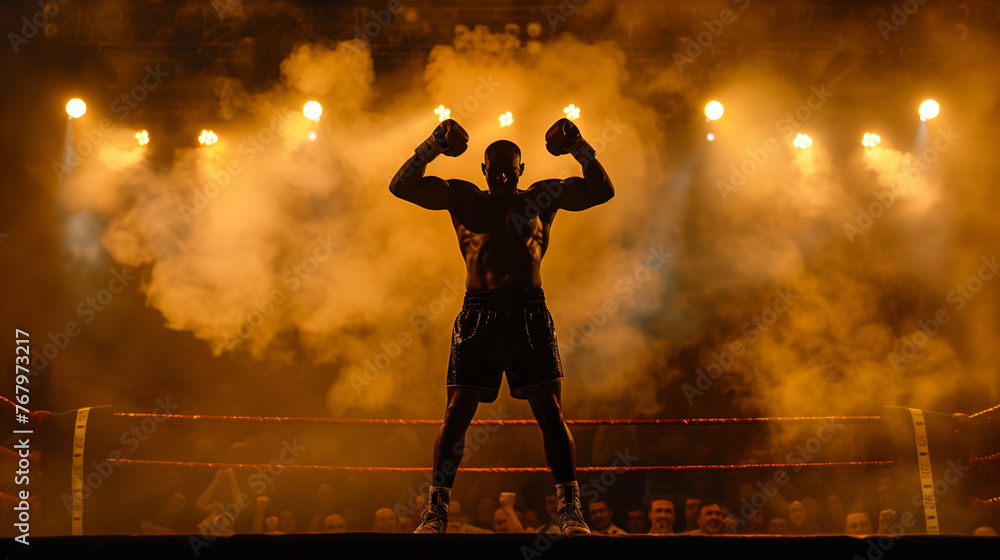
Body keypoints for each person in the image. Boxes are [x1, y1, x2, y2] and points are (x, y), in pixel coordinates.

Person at [391, 118, 615, 535]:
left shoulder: (543, 196)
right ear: (482, 169)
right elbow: (400, 186)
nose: (500, 175)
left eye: (508, 168)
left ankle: (570, 508)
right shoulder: (463, 197)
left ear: (520, 169)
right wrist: (432, 145)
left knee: (550, 411)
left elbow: (602, 191)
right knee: (457, 414)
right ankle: (437, 509)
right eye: (493, 168)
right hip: (478, 311)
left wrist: (579, 146)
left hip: (529, 310)